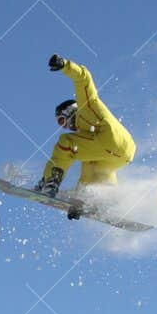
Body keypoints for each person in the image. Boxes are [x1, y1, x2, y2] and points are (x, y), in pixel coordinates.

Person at [35, 54, 136, 208]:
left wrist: (65, 65)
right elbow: (86, 172)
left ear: (70, 112)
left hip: (109, 139)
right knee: (92, 166)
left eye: (63, 121)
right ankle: (98, 199)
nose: (66, 127)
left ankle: (50, 181)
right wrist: (77, 204)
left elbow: (83, 78)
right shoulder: (87, 139)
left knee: (66, 143)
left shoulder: (85, 107)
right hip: (125, 153)